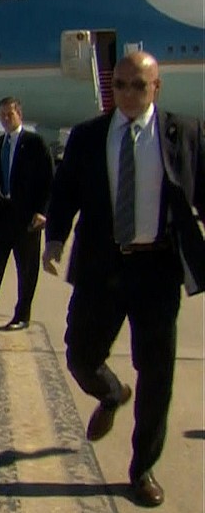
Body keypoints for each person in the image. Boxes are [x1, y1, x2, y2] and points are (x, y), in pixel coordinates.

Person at [42, 51, 204, 508]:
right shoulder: (89, 136)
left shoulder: (184, 133)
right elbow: (65, 190)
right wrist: (54, 239)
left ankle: (142, 468)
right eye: (121, 85)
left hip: (157, 269)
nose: (129, 94)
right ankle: (112, 393)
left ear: (157, 87)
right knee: (80, 356)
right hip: (101, 265)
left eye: (139, 85)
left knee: (157, 374)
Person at [0, 97, 53, 331]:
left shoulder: (35, 143)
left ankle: (22, 315)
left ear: (19, 115)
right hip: (0, 216)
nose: (5, 119)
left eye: (9, 115)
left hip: (26, 218)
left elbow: (49, 181)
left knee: (26, 270)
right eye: (2, 115)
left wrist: (43, 212)